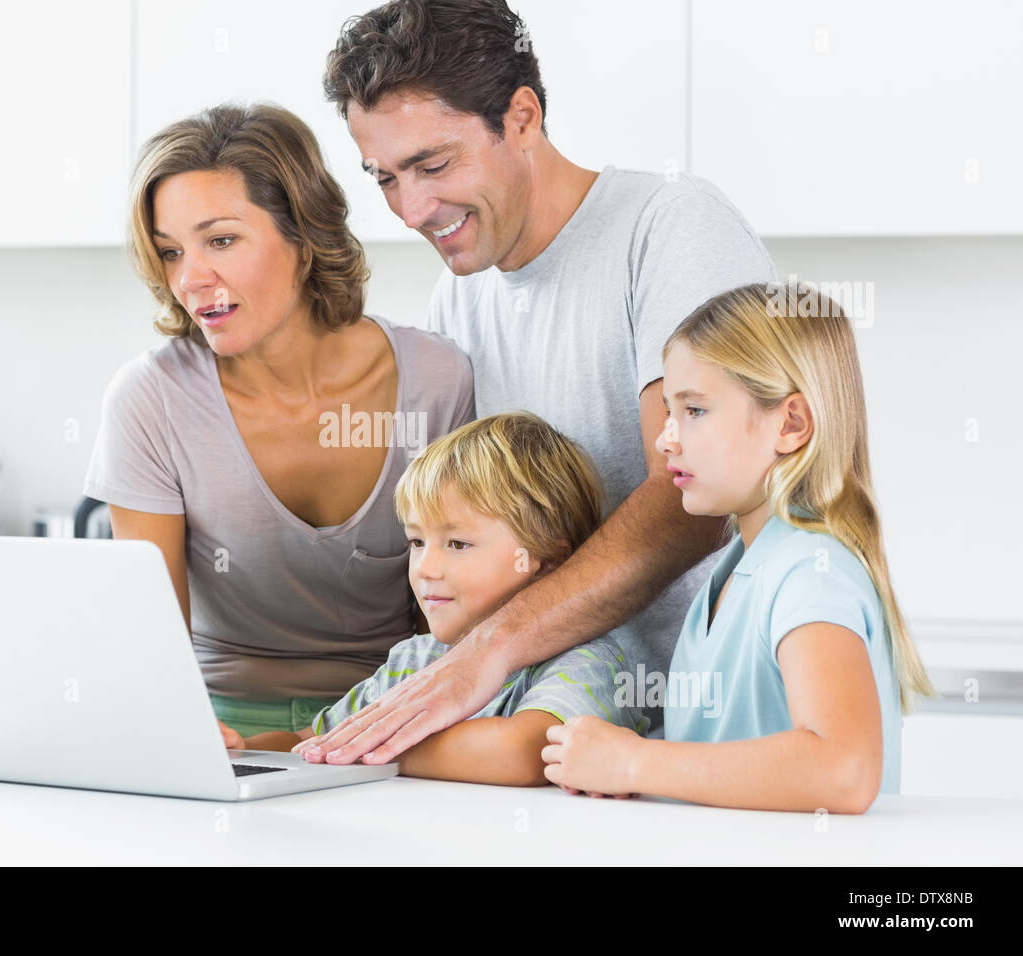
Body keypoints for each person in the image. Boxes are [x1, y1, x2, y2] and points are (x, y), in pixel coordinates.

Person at [301, 0, 777, 764]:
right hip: (553, 737)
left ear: (521, 117)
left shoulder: (670, 228)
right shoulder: (461, 295)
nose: (413, 209)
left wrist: (489, 653)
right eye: (385, 177)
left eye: (434, 164)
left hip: (699, 735)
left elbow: (697, 501)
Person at [83, 102, 474, 739]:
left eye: (221, 240)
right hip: (220, 726)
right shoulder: (150, 400)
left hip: (392, 720)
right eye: (170, 252)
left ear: (303, 236)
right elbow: (150, 640)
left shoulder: (437, 381)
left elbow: (459, 616)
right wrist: (184, 731)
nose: (191, 278)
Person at [542, 283, 936, 812]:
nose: (666, 439)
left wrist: (635, 761)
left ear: (790, 424)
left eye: (695, 411)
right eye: (667, 412)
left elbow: (845, 770)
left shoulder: (808, 572)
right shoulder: (737, 568)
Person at [221, 412, 648, 786]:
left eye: (458, 543)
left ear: (550, 559)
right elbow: (313, 741)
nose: (425, 567)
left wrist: (375, 751)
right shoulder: (414, 660)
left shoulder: (588, 661)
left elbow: (524, 754)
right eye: (417, 541)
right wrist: (242, 747)